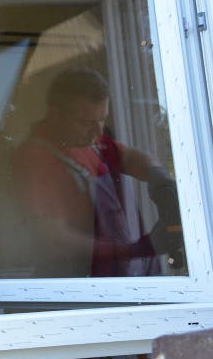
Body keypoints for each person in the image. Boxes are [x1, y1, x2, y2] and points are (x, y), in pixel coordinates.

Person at [12, 67, 183, 278]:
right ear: (55, 113)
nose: (99, 131)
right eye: (87, 123)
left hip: (115, 274)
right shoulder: (35, 158)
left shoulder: (87, 141)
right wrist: (134, 250)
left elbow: (130, 158)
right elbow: (53, 240)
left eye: (103, 119)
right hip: (78, 286)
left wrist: (160, 180)